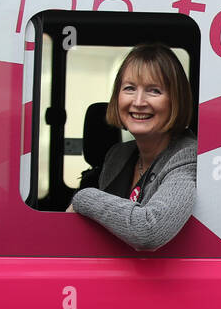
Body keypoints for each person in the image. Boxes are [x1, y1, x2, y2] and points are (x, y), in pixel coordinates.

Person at [69, 43, 197, 250]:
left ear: (176, 100)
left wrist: (83, 197)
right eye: (129, 88)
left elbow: (149, 231)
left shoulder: (188, 156)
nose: (138, 102)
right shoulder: (117, 155)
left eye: (154, 91)